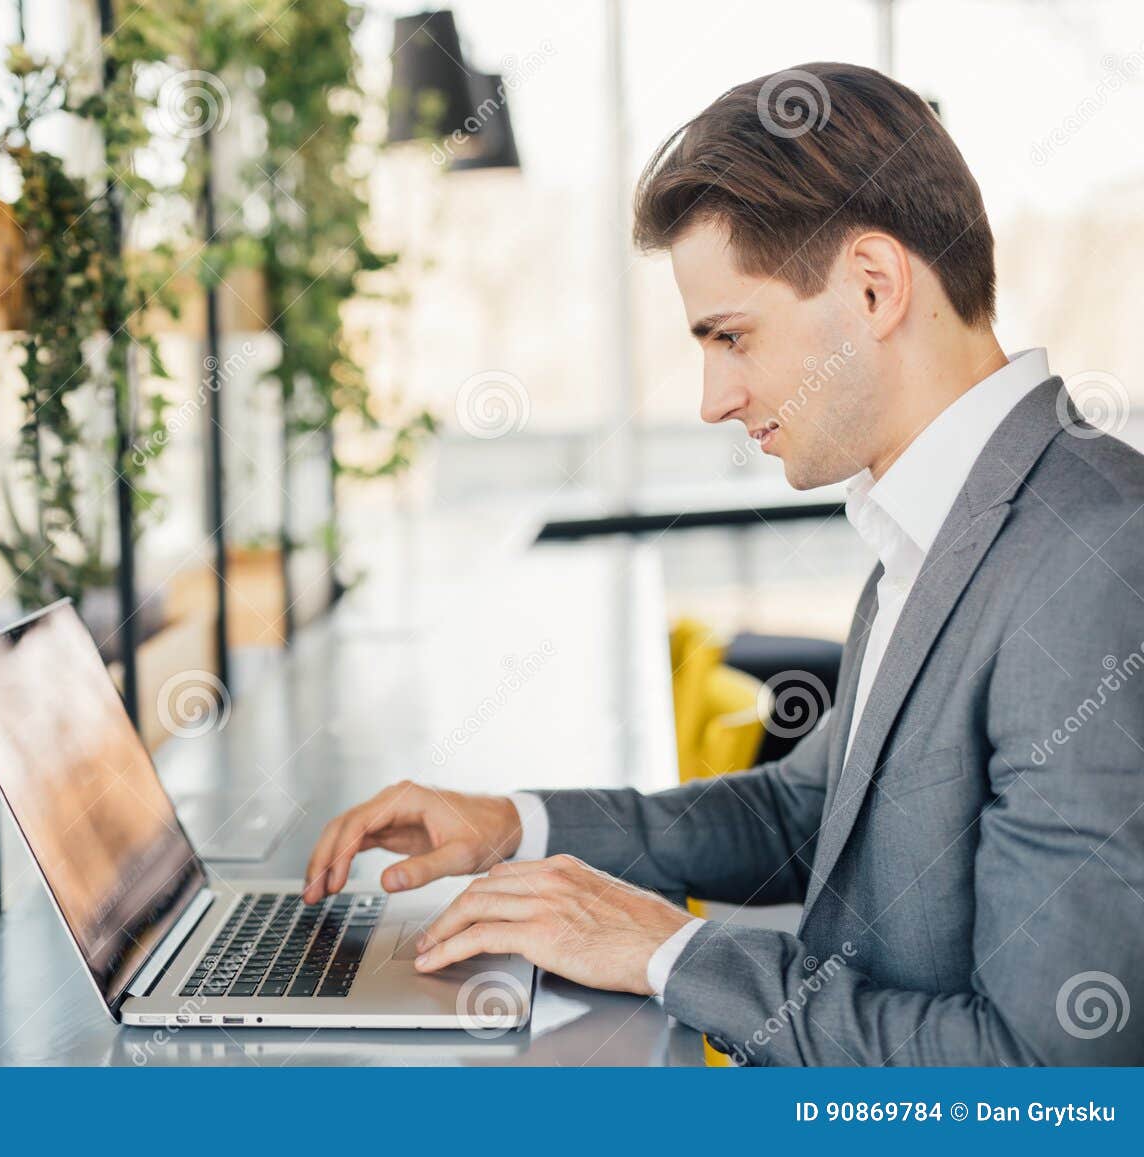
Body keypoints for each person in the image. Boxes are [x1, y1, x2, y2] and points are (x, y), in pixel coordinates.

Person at [304, 62, 1144, 1065]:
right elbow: (807, 806)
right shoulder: (933, 516)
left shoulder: (1091, 560)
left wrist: (669, 949)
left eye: (730, 336)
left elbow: (1048, 1082)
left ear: (873, 287)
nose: (712, 397)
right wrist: (511, 824)